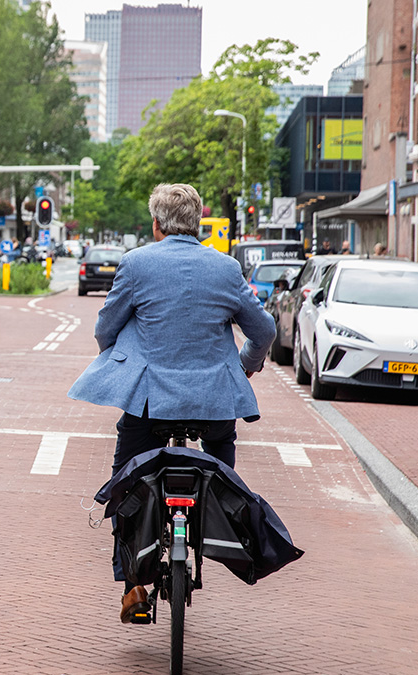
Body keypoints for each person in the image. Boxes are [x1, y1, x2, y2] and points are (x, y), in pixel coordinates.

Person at [67, 183, 275, 625]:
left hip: (149, 402)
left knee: (125, 480)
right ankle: (223, 522)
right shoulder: (225, 267)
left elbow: (106, 328)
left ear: (156, 224)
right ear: (197, 223)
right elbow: (264, 331)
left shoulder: (136, 263)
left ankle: (132, 585)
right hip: (213, 401)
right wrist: (244, 365)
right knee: (223, 467)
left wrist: (121, 351)